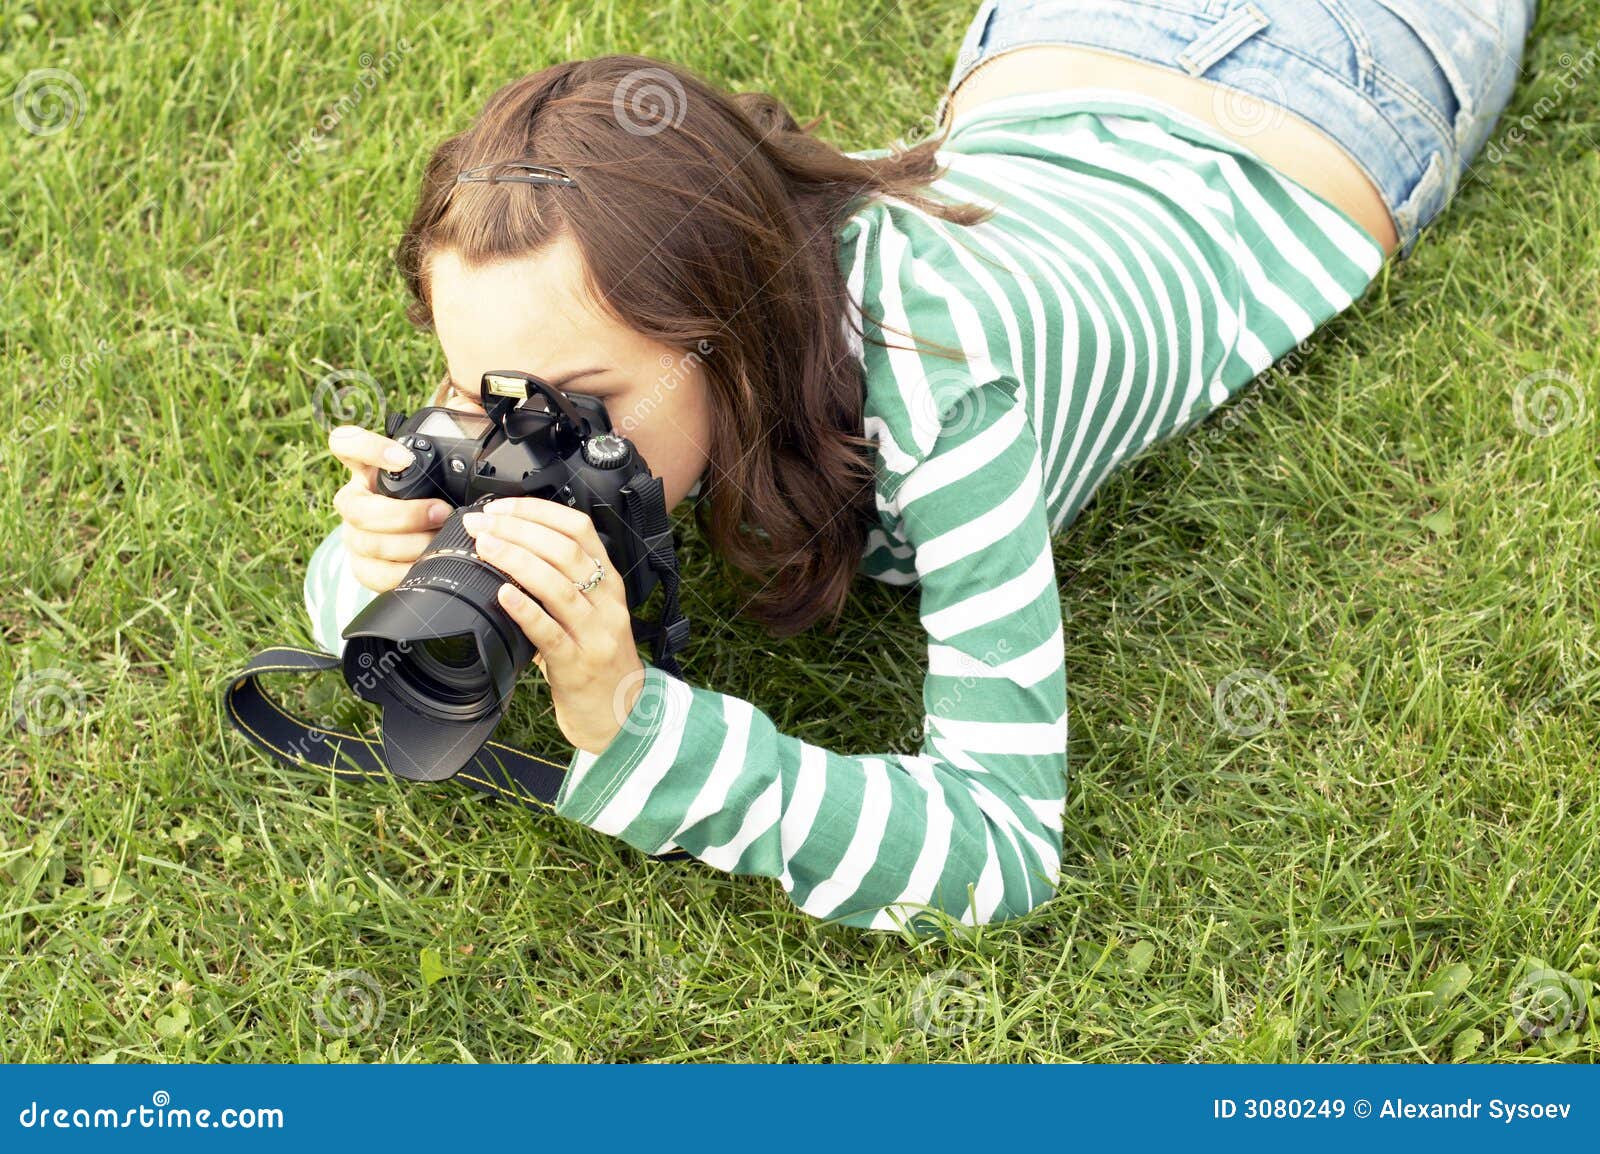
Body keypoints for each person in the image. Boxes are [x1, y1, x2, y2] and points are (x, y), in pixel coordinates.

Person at [305, 1, 1537, 932]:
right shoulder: (637, 303)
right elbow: (396, 582)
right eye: (482, 395)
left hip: (1331, 76)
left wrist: (634, 723)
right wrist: (381, 563)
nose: (520, 448)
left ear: (732, 334)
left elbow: (998, 847)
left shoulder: (943, 386)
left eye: (583, 403)